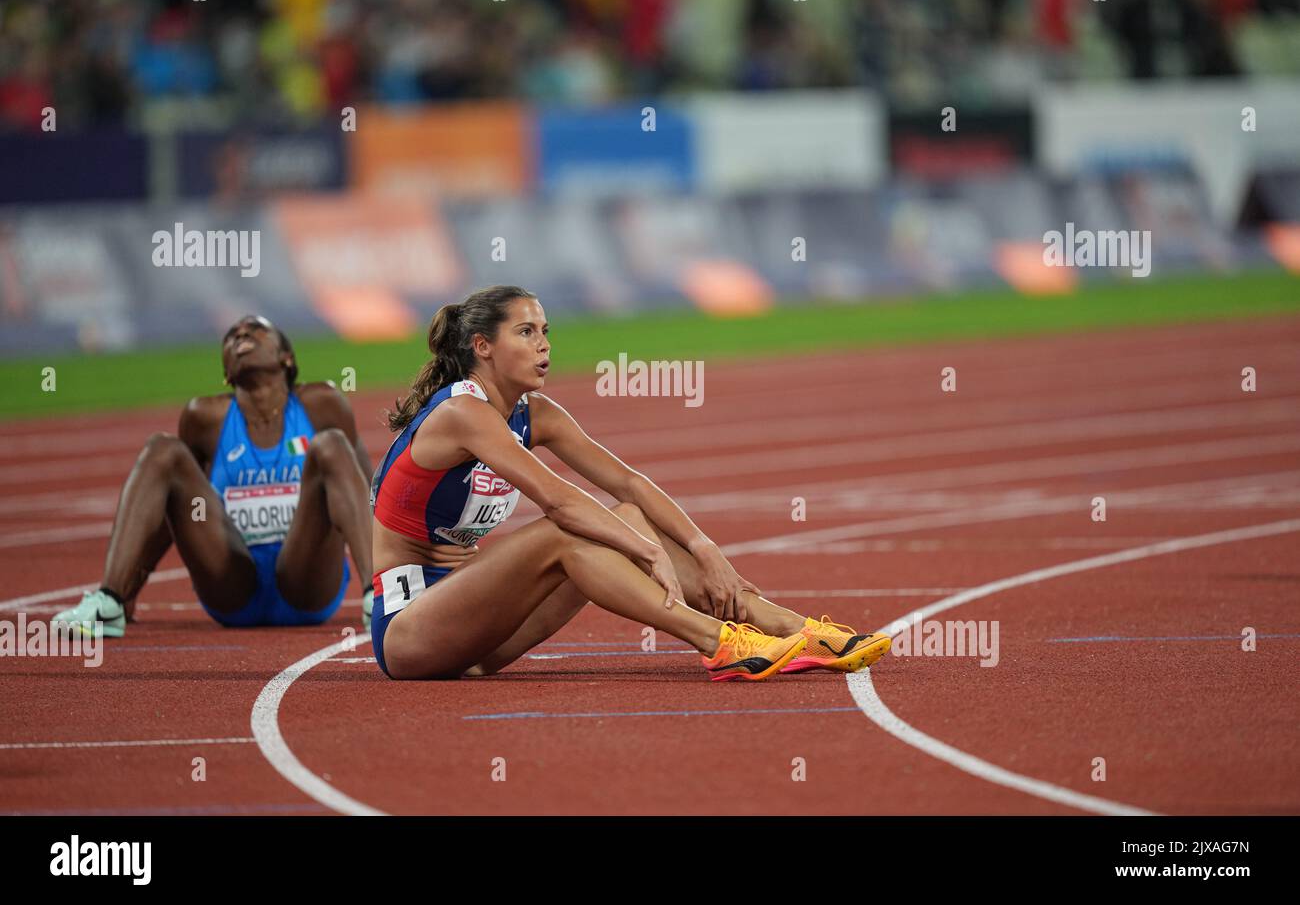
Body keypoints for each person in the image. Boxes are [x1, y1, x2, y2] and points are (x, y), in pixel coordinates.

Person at [367, 285, 891, 681]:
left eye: (546, 331)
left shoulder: (535, 414)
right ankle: (719, 643)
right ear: (482, 346)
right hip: (412, 631)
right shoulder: (463, 413)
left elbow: (629, 483)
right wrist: (644, 552)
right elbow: (559, 499)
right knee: (565, 533)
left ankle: (786, 626)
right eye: (526, 333)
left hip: (480, 631)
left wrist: (702, 548)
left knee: (627, 517)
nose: (544, 345)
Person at [53, 315, 384, 635]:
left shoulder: (323, 404)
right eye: (232, 336)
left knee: (331, 445)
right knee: (163, 450)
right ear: (226, 372)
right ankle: (108, 604)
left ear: (286, 357)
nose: (240, 335)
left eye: (254, 329)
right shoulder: (204, 418)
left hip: (308, 580)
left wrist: (398, 569)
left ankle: (380, 598)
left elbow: (368, 494)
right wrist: (129, 590)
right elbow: (174, 506)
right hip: (232, 581)